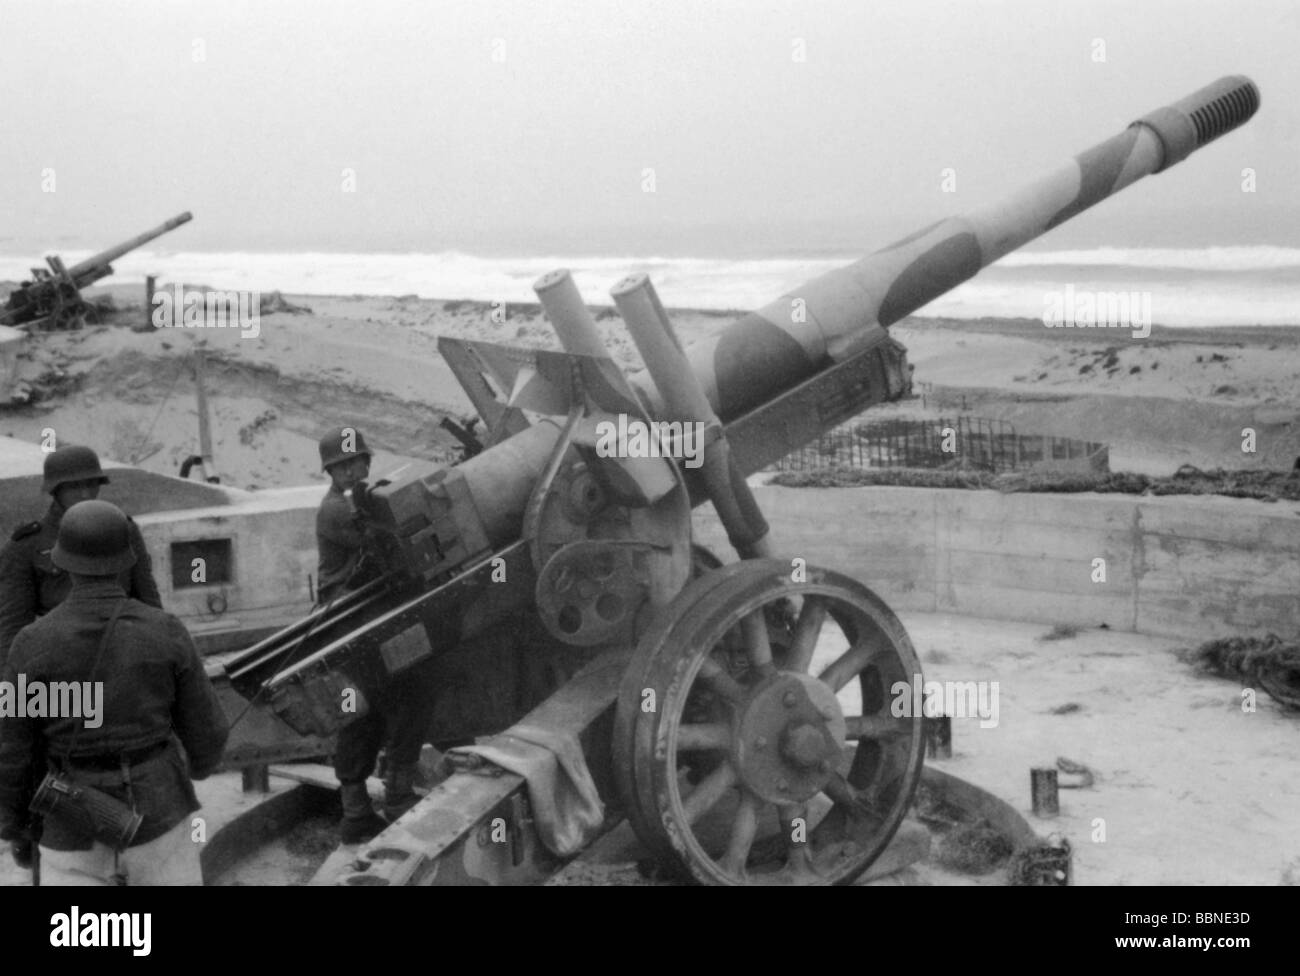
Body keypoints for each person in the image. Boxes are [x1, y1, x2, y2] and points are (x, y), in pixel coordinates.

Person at [0, 500, 229, 885]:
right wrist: (196, 768)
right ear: (126, 562)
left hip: (70, 823)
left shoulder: (30, 644)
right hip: (159, 814)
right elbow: (209, 730)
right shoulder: (165, 630)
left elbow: (10, 748)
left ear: (62, 563)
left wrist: (14, 823)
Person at [315, 427, 438, 843]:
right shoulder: (336, 510)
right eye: (343, 465)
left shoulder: (357, 500)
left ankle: (358, 813)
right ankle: (397, 796)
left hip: (361, 617)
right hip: (351, 621)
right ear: (330, 470)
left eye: (358, 462)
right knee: (411, 694)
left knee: (363, 711)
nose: (353, 470)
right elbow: (384, 546)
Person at [0, 445, 161, 664]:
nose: (85, 493)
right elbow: (12, 628)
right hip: (59, 661)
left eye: (91, 484)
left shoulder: (123, 530)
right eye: (74, 487)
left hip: (122, 656)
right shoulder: (27, 545)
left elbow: (149, 603)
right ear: (56, 491)